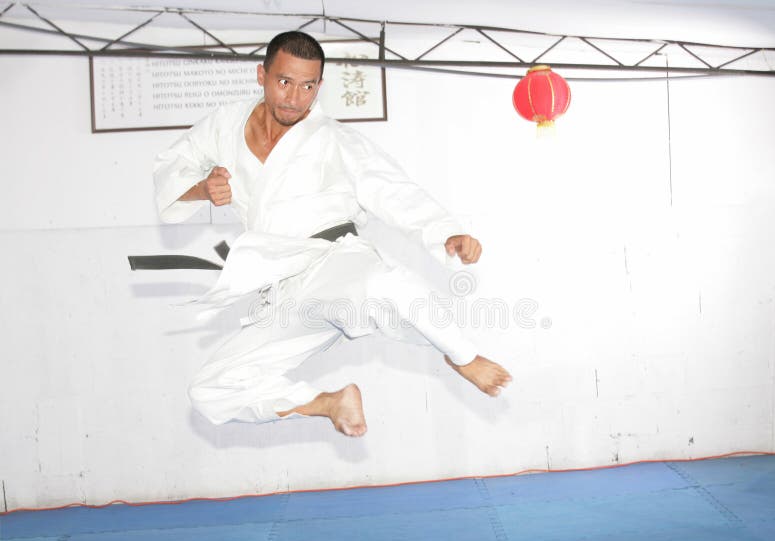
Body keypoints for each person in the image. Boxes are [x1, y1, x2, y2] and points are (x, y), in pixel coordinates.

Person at [154, 31, 511, 437]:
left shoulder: (335, 139)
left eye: (308, 86)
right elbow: (171, 167)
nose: (294, 97)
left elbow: (393, 189)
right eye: (284, 82)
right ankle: (328, 402)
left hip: (333, 261)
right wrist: (201, 188)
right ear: (262, 75)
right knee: (209, 389)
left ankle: (462, 355)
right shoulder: (224, 125)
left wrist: (446, 232)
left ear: (318, 87)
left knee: (384, 282)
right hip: (281, 286)